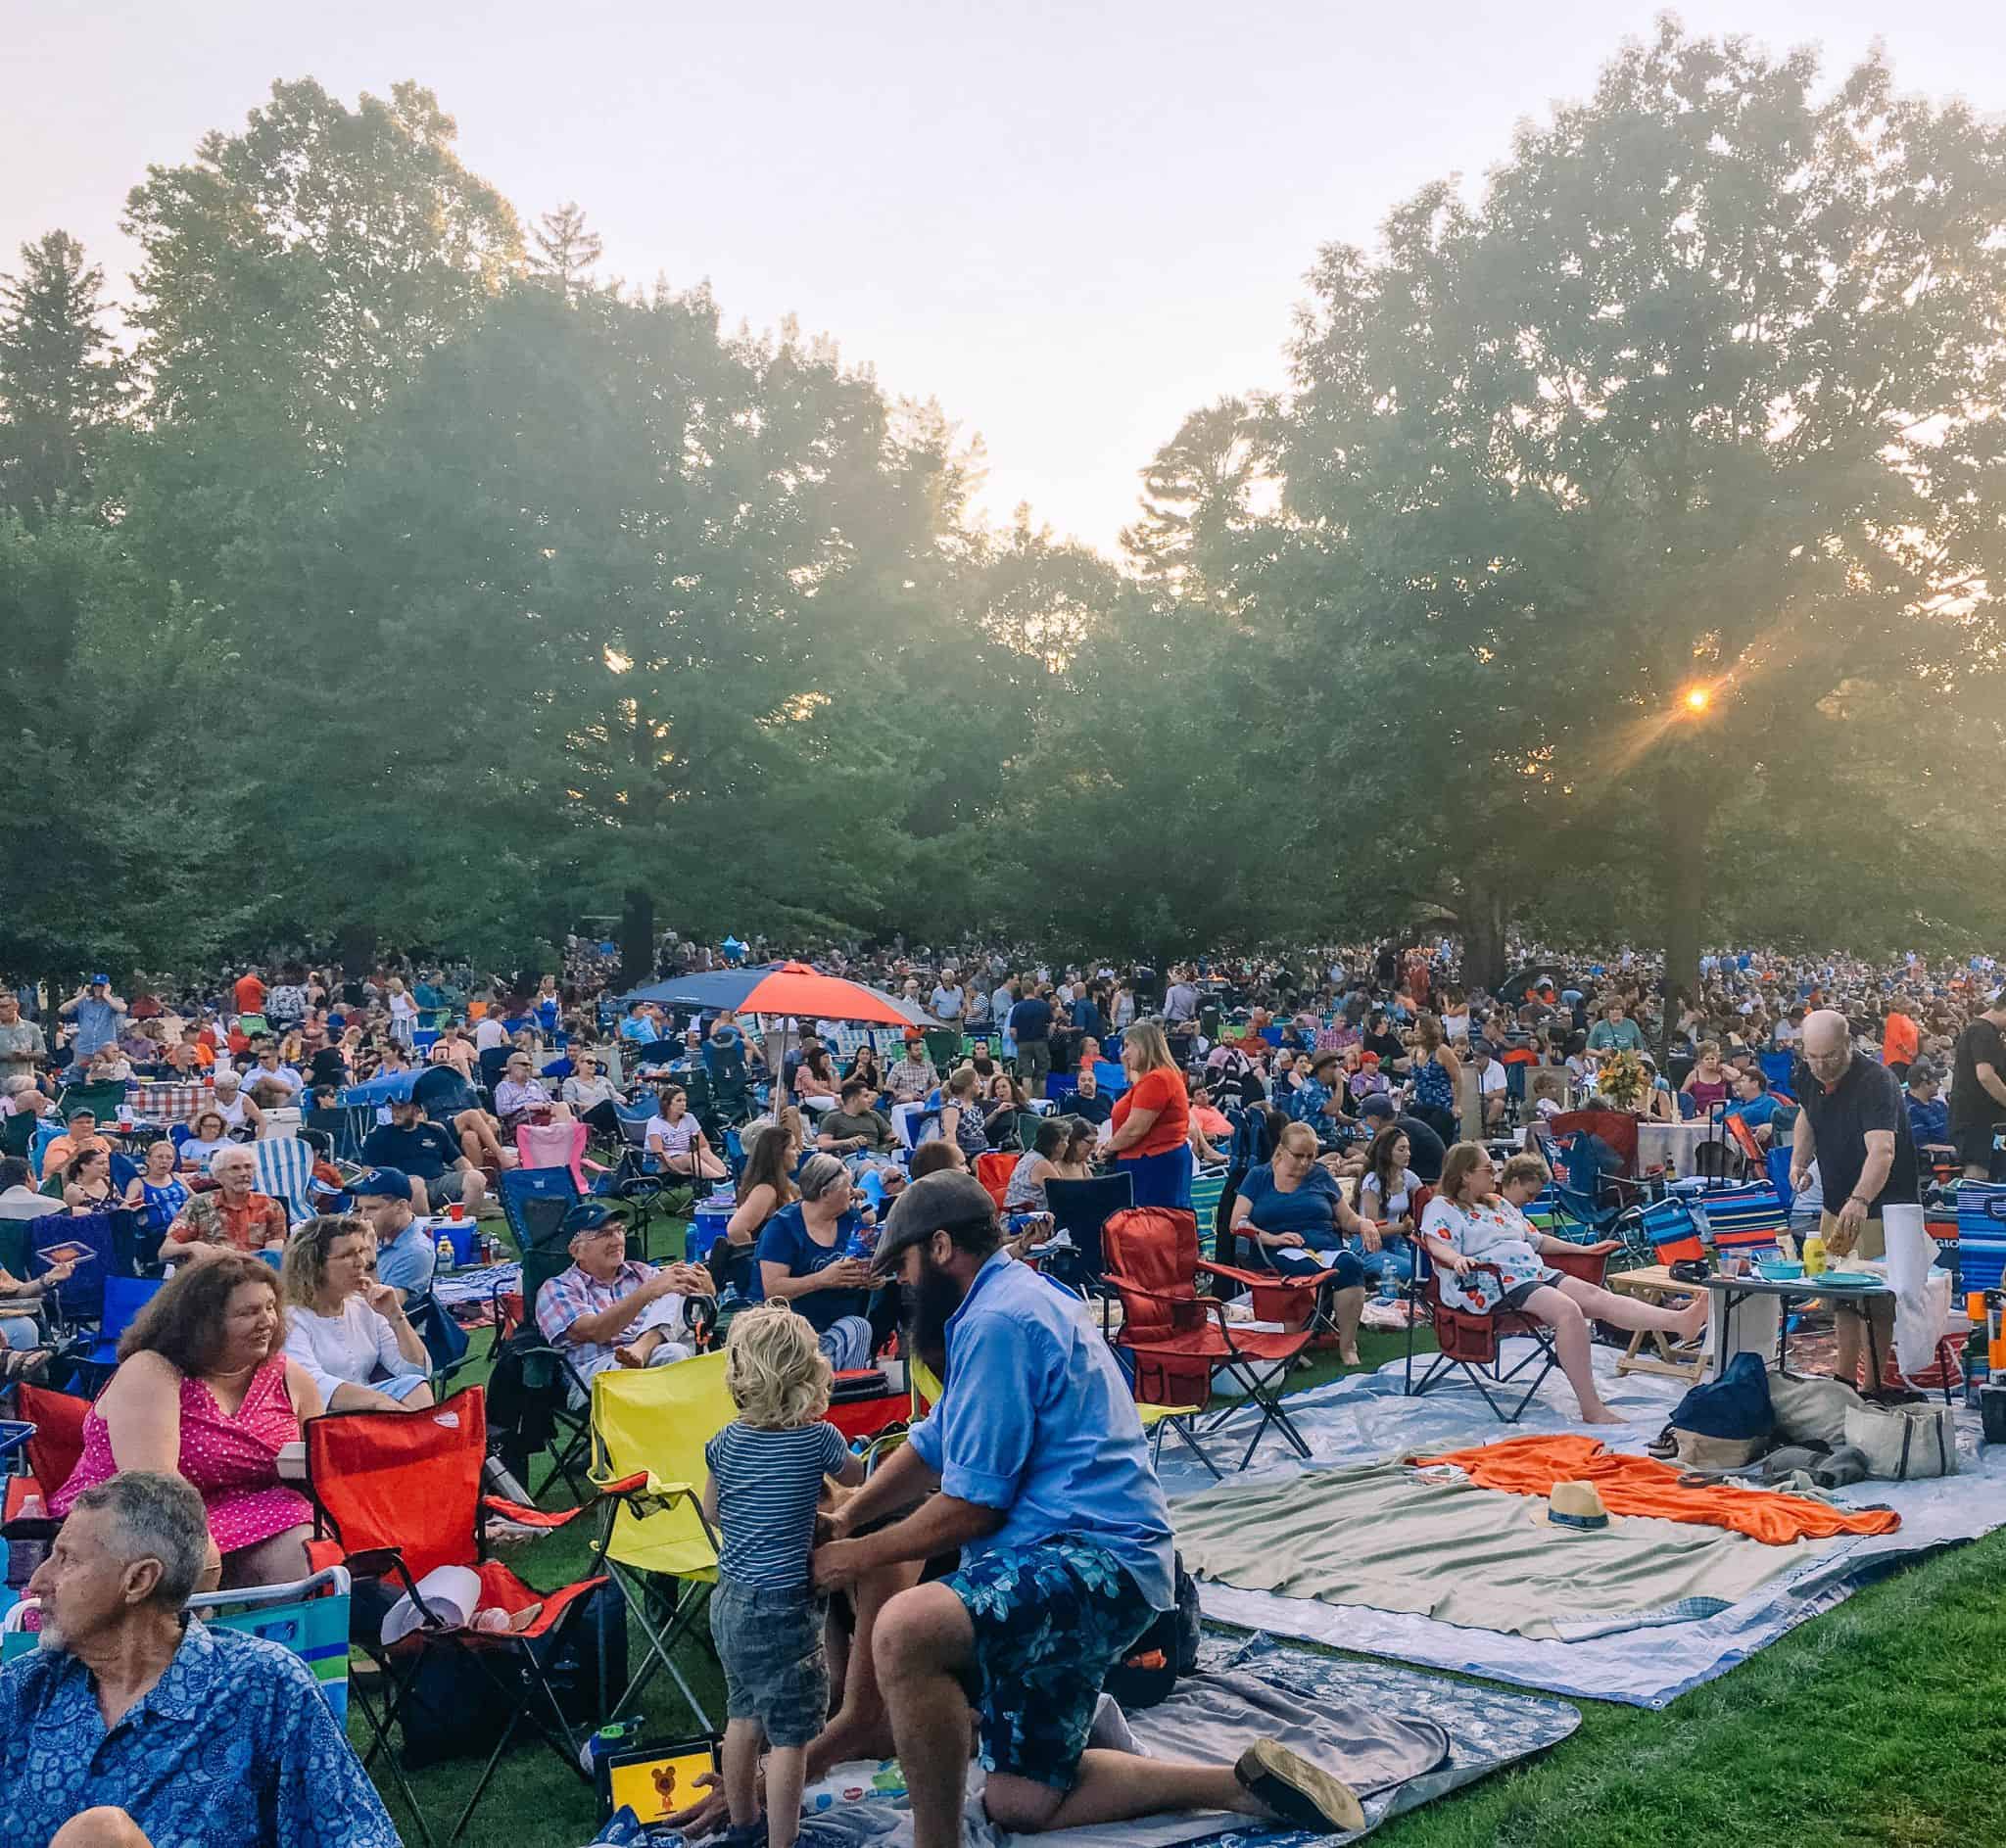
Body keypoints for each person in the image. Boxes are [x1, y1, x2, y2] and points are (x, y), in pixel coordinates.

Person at [811, 1172, 1363, 1848]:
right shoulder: (1005, 1298)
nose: (902, 1281)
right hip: (1092, 1559)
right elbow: (933, 1442)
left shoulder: (996, 1319)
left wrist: (853, 1553)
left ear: (942, 1246)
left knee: (906, 1627)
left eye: (904, 1263)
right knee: (1022, 1801)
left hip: (1097, 1559)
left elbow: (974, 1509)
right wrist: (849, 1515)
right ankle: (1240, 1786)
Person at [0, 1470, 400, 1848]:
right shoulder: (21, 1690)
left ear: (139, 1580)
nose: (38, 1582)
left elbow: (354, 1836)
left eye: (67, 1559)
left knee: (101, 1836)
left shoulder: (260, 1687)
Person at [50, 1254, 324, 1587]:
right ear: (203, 1324)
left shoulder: (287, 1376)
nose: (267, 1320)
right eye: (248, 1312)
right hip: (134, 1515)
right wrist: (197, 1540)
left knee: (309, 1544)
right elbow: (152, 1485)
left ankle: (290, 1635)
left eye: (270, 1307)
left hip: (253, 1510)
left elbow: (323, 1462)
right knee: (191, 1556)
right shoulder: (152, 1371)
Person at [702, 1303, 869, 1848]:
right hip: (783, 1609)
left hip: (728, 1600)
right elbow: (858, 1479)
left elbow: (713, 1512)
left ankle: (744, 1828)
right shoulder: (816, 1439)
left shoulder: (723, 1442)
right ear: (809, 1376)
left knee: (742, 1715)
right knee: (793, 1734)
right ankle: (785, 1841)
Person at [1421, 1147, 1706, 1424]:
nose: (1495, 1174)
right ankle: (1591, 1408)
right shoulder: (1442, 1207)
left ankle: (1680, 1322)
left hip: (1529, 1271)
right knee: (1569, 1312)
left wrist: (1582, 1251)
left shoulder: (1498, 1204)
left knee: (1596, 1296)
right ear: (1465, 1174)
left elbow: (1538, 1241)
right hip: (1489, 1282)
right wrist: (1456, 1258)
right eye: (1487, 1169)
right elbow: (1434, 1244)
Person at [1791, 1008, 1924, 1387]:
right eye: (1813, 1057)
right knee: (1841, 1295)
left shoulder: (1875, 1081)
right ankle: (1843, 1381)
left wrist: (1861, 1199)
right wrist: (1800, 1161)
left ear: (1847, 1044)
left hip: (1884, 1206)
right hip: (1836, 1200)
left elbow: (1882, 1150)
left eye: (1830, 1056)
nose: (1821, 1066)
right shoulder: (1806, 1073)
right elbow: (1806, 1114)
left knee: (1875, 1300)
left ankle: (1874, 1385)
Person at [1227, 1121, 1373, 1364]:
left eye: (1311, 1156)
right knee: (1303, 1269)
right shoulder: (1259, 1176)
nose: (1305, 1163)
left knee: (1351, 1265)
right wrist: (1272, 1238)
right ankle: (1294, 1341)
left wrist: (1364, 1224)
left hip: (1324, 1245)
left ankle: (1347, 1345)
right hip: (1277, 1248)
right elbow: (1237, 1223)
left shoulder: (1320, 1176)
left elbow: (1347, 1218)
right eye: (1298, 1156)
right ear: (1282, 1151)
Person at [537, 1198, 713, 1382]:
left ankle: (643, 1347)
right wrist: (647, 1292)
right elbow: (595, 1331)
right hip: (599, 1372)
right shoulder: (558, 1288)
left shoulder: (641, 1272)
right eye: (603, 1234)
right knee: (674, 1353)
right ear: (576, 1251)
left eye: (619, 1230)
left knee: (679, 1288)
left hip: (655, 1354)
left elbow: (692, 1298)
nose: (616, 1240)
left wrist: (707, 1288)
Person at [279, 1212, 433, 1411]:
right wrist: (380, 1401)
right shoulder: (292, 1318)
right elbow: (311, 1382)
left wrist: (395, 1316)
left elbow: (416, 1370)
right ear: (314, 1266)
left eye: (362, 1251)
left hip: (370, 1408)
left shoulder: (364, 1307)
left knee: (415, 1386)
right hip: (320, 1415)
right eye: (347, 1255)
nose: (361, 1262)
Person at [751, 1154, 876, 1369]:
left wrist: (869, 1277)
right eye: (847, 1186)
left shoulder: (850, 1219)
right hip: (794, 1334)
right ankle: (837, 1390)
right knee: (858, 1328)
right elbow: (771, 1290)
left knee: (860, 1327)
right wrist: (822, 1279)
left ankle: (840, 1387)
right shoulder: (783, 1228)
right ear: (825, 1193)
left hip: (842, 1327)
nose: (853, 1191)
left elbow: (859, 1265)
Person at [1102, 1021, 1192, 1208]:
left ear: (1145, 1046)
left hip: (1153, 1166)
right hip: (1152, 1164)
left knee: (1153, 1225)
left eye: (1128, 1046)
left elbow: (1135, 1129)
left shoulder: (1157, 1079)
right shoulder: (1156, 1078)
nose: (1123, 1054)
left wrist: (1108, 1148)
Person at [160, 1145, 288, 1265]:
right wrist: (191, 1247)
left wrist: (233, 1256)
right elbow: (165, 1252)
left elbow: (273, 1258)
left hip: (253, 1277)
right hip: (208, 1277)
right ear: (218, 1176)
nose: (244, 1173)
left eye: (248, 1167)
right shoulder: (198, 1204)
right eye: (235, 1168)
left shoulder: (270, 1206)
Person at [360, 1094, 488, 1215]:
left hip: (437, 1183)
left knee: (476, 1178)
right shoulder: (379, 1136)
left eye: (401, 1107)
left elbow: (459, 1161)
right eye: (392, 1107)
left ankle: (460, 1225)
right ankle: (424, 1231)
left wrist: (473, 1176)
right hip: (402, 1188)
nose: (395, 1112)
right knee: (416, 1184)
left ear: (416, 1110)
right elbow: (368, 1173)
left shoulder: (435, 1131)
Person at [348, 1168, 438, 1307]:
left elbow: (382, 1308)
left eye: (372, 1208)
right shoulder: (382, 1233)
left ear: (401, 1206)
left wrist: (369, 1261)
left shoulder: (417, 1252)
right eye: (360, 1209)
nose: (363, 1217)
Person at [1947, 990, 2006, 1180]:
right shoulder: (1982, 1031)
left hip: (1987, 1121)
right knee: (1978, 1177)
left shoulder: (1989, 1032)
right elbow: (1986, 1076)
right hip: (1976, 1120)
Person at [1353, 1124, 1421, 1283]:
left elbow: (1425, 1199)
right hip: (1370, 1246)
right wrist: (1404, 1227)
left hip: (1395, 1242)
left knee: (1425, 1268)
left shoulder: (1408, 1177)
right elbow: (1374, 1227)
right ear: (1387, 1153)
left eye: (1408, 1149)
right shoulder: (1373, 1181)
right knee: (1410, 1270)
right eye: (1401, 1150)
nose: (1408, 1154)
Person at [647, 1084, 730, 1181]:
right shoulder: (655, 1122)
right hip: (665, 1164)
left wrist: (704, 1157)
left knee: (703, 1152)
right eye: (678, 1100)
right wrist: (678, 1171)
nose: (683, 1104)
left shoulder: (689, 1118)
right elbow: (659, 1153)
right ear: (666, 1103)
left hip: (688, 1157)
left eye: (684, 1100)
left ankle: (728, 1177)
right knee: (689, 1158)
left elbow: (703, 1145)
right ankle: (720, 1181)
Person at [816, 1077, 895, 1160]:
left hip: (878, 1156)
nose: (870, 1100)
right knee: (869, 1166)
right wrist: (846, 1142)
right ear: (853, 1100)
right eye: (866, 1096)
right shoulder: (833, 1118)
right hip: (851, 1158)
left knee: (892, 1171)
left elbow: (891, 1136)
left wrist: (895, 1141)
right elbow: (822, 1144)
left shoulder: (873, 1115)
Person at [121, 1141, 189, 1233]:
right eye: (159, 1157)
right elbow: (124, 1208)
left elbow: (195, 1198)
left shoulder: (176, 1177)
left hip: (186, 1226)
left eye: (169, 1158)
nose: (164, 1161)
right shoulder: (138, 1183)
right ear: (147, 1160)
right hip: (158, 1233)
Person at [60, 975, 127, 1064]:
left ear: (107, 987)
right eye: (95, 985)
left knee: (106, 1075)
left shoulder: (112, 1002)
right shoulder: (83, 1002)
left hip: (105, 1050)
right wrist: (82, 995)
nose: (97, 988)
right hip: (84, 1049)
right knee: (80, 1074)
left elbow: (122, 1008)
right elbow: (62, 1010)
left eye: (100, 985)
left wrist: (106, 995)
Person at [1007, 983, 1055, 1095]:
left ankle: (1028, 1100)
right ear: (1034, 991)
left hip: (1023, 1043)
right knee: (1042, 1074)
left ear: (1023, 992)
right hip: (1041, 1042)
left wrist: (1017, 1042)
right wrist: (1048, 1037)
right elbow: (1052, 1026)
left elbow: (1012, 1031)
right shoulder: (1044, 1006)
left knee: (1026, 1073)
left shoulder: (1018, 1007)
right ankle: (1041, 1099)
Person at [42, 1107, 113, 1181]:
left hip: (96, 1184)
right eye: (79, 1123)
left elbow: (112, 1167)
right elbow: (55, 1176)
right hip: (61, 1186)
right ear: (69, 1125)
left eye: (89, 1122)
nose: (85, 1126)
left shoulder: (100, 1141)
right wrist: (77, 1153)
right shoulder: (58, 1144)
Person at [938, 1066, 991, 1161]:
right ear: (967, 1086)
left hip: (983, 1150)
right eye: (976, 1081)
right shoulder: (954, 1107)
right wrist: (959, 1161)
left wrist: (997, 1112)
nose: (980, 1084)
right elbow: (950, 1137)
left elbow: (979, 1128)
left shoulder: (974, 1105)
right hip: (967, 1155)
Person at [1905, 1062, 1953, 1160]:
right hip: (1935, 1165)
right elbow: (1922, 1146)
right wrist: (1955, 1150)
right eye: (1936, 1080)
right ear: (1924, 1084)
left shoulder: (1940, 1104)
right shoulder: (1910, 1110)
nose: (1939, 1084)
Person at [492, 1051, 550, 1129]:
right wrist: (526, 1106)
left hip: (544, 1113)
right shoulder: (504, 1086)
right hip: (523, 1120)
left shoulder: (535, 1083)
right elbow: (502, 1111)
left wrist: (550, 1105)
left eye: (530, 1065)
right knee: (557, 1122)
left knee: (563, 1108)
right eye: (524, 1064)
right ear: (511, 1067)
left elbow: (549, 1100)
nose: (528, 1067)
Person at [0, 988, 46, 1087]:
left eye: (4, 1006)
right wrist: (5, 1057)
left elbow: (42, 1054)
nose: (1, 1010)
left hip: (25, 1084)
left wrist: (24, 1055)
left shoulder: (32, 1028)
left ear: (16, 1006)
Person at [175, 1110, 234, 1175]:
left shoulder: (227, 1142)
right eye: (208, 1126)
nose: (212, 1129)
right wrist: (200, 1163)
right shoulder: (190, 1143)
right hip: (200, 1175)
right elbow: (179, 1163)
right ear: (200, 1127)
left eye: (216, 1126)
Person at [1681, 1039, 1732, 1114]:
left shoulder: (1722, 1073)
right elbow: (1683, 1093)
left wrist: (1723, 1066)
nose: (1710, 1061)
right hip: (1698, 1112)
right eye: (1707, 1059)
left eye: (1713, 1058)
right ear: (1702, 1060)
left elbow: (1737, 1075)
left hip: (1718, 1111)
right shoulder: (1694, 1074)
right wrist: (1690, 1108)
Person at [64, 1147, 118, 1215]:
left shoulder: (108, 1182)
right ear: (84, 1166)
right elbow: (69, 1216)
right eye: (100, 1163)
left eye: (107, 1163)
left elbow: (119, 1202)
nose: (106, 1167)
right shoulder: (74, 1190)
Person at [886, 1033, 935, 1105]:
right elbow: (888, 1087)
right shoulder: (898, 1066)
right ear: (908, 1052)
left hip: (925, 1099)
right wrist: (903, 1094)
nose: (920, 1052)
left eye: (921, 1049)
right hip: (905, 1100)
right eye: (917, 1050)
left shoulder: (929, 1065)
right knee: (907, 1099)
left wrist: (927, 1093)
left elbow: (936, 1083)